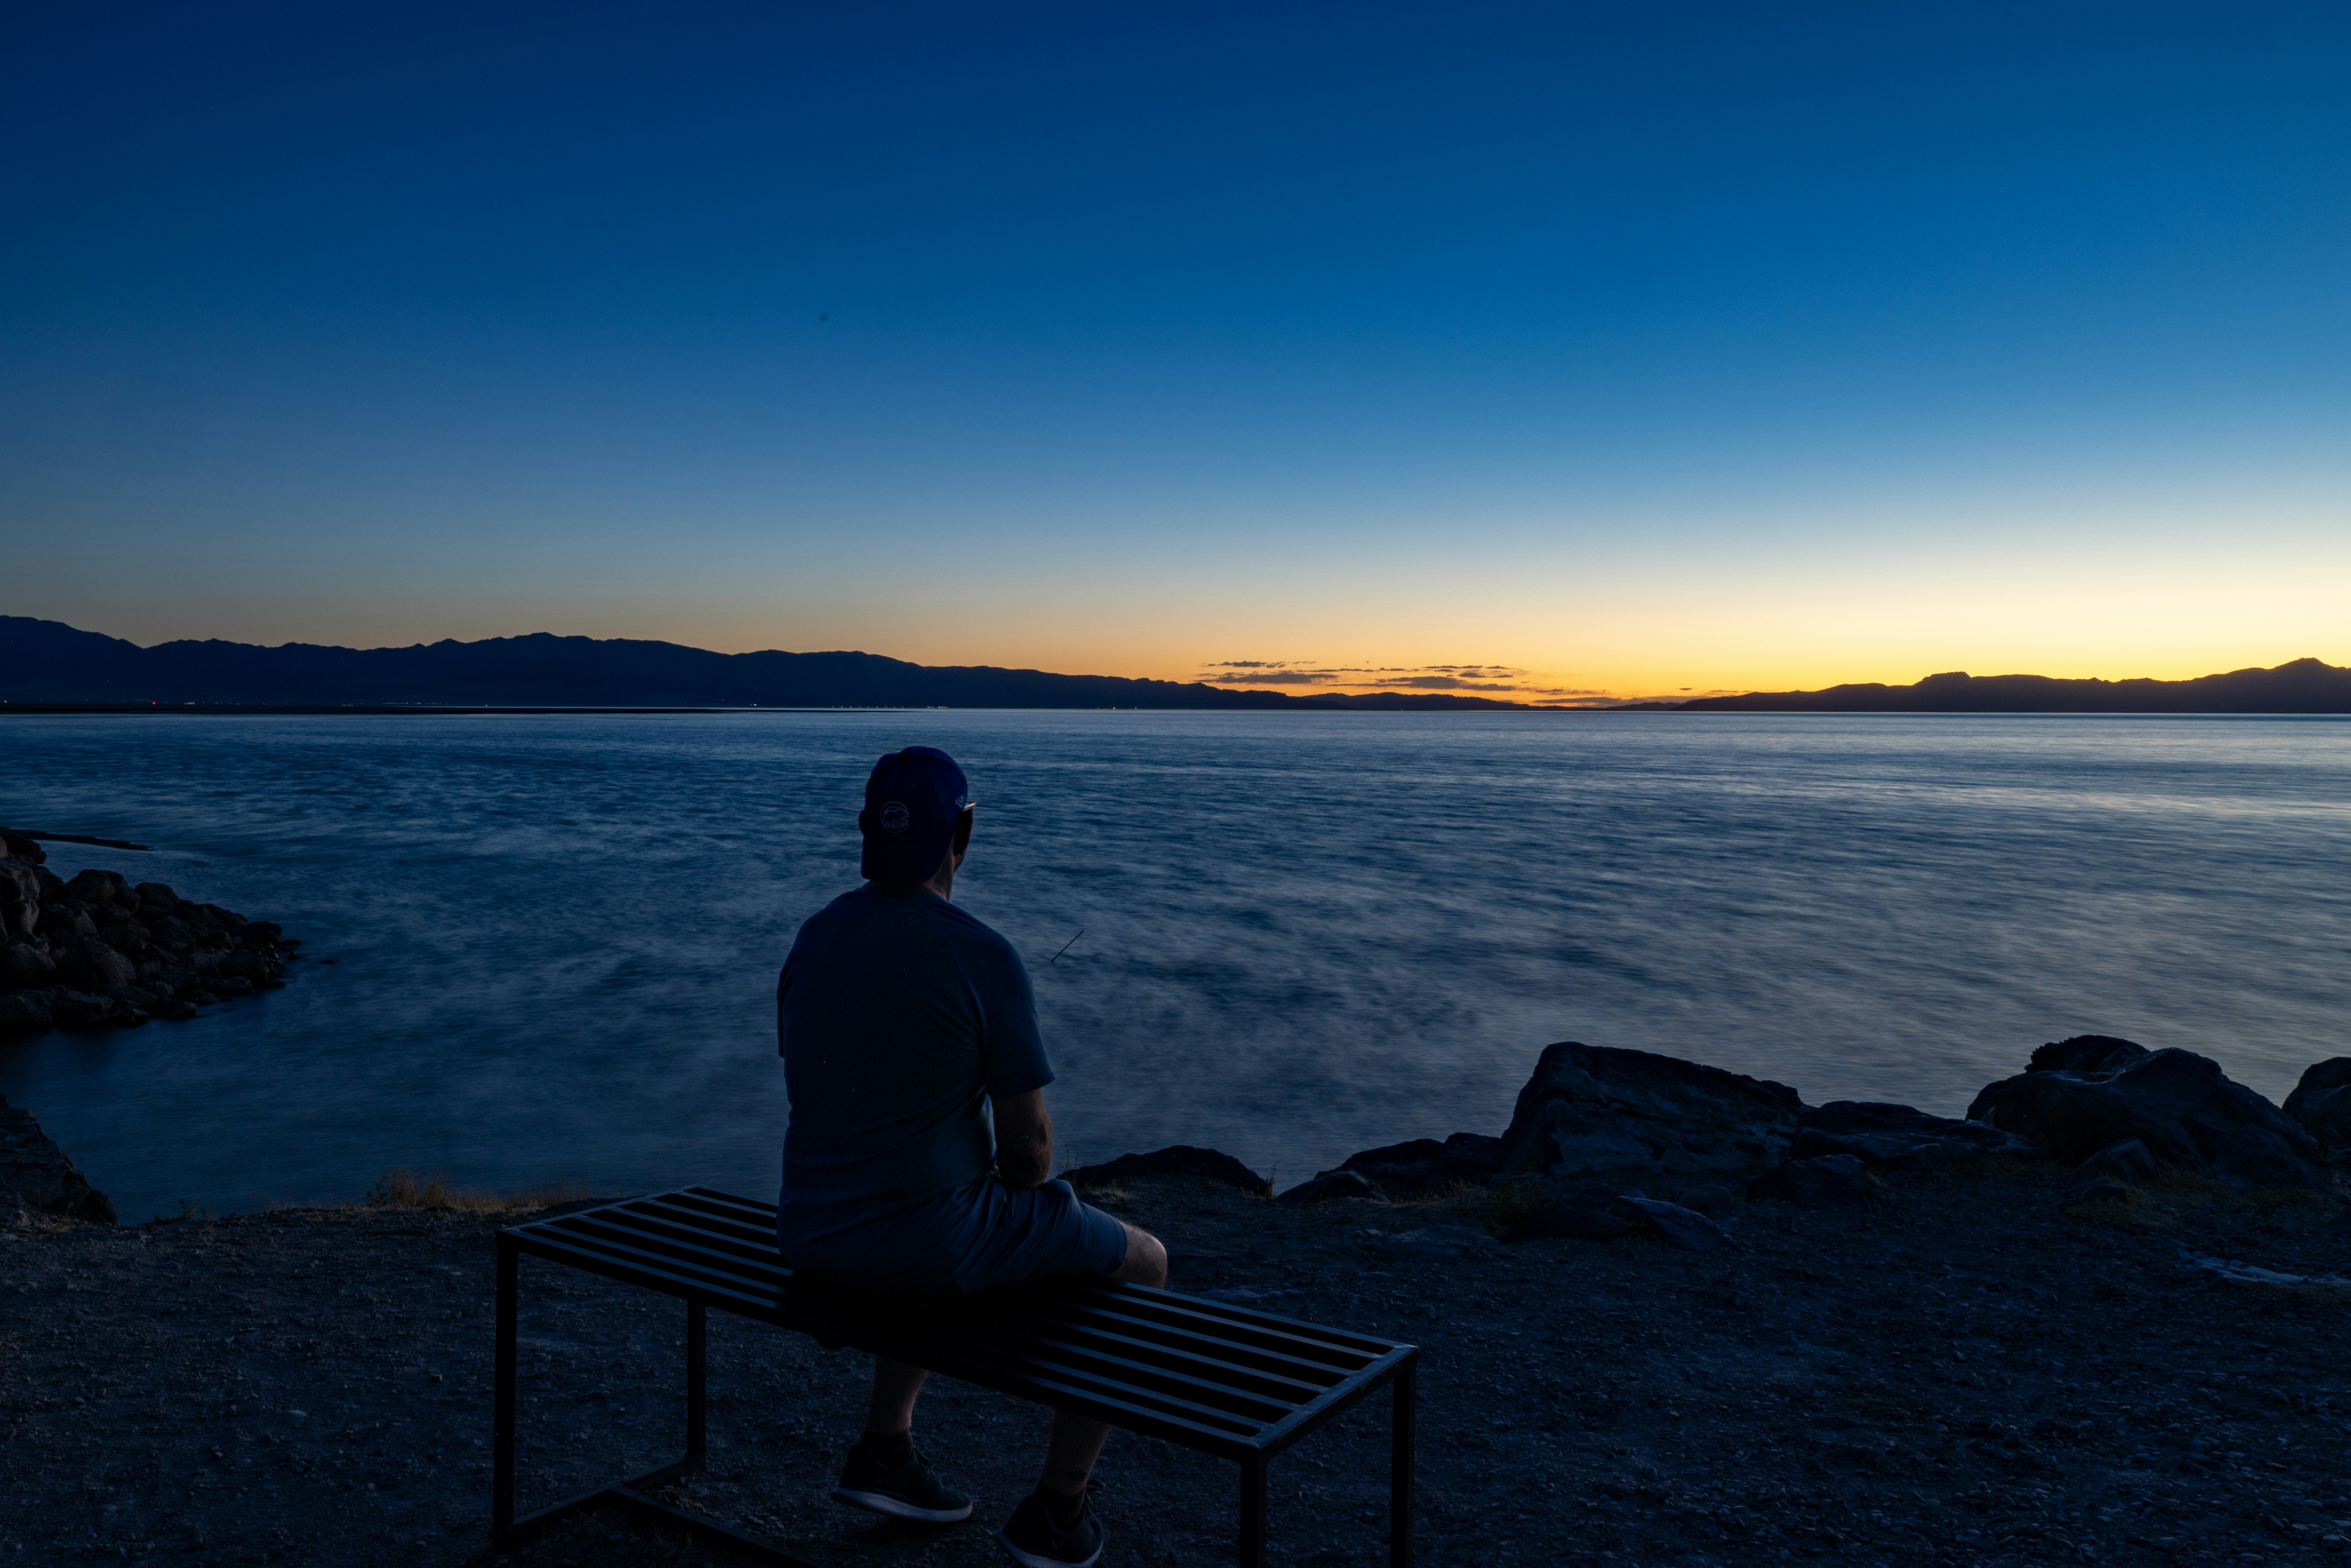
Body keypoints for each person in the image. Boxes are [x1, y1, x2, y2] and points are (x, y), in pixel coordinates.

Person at [776, 745, 1169, 1568]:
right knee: (1143, 1260)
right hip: (917, 1246)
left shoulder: (815, 939)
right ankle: (1060, 1510)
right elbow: (1027, 1159)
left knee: (933, 1211)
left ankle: (886, 1450)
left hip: (810, 1233)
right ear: (964, 836)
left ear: (866, 832)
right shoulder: (979, 955)